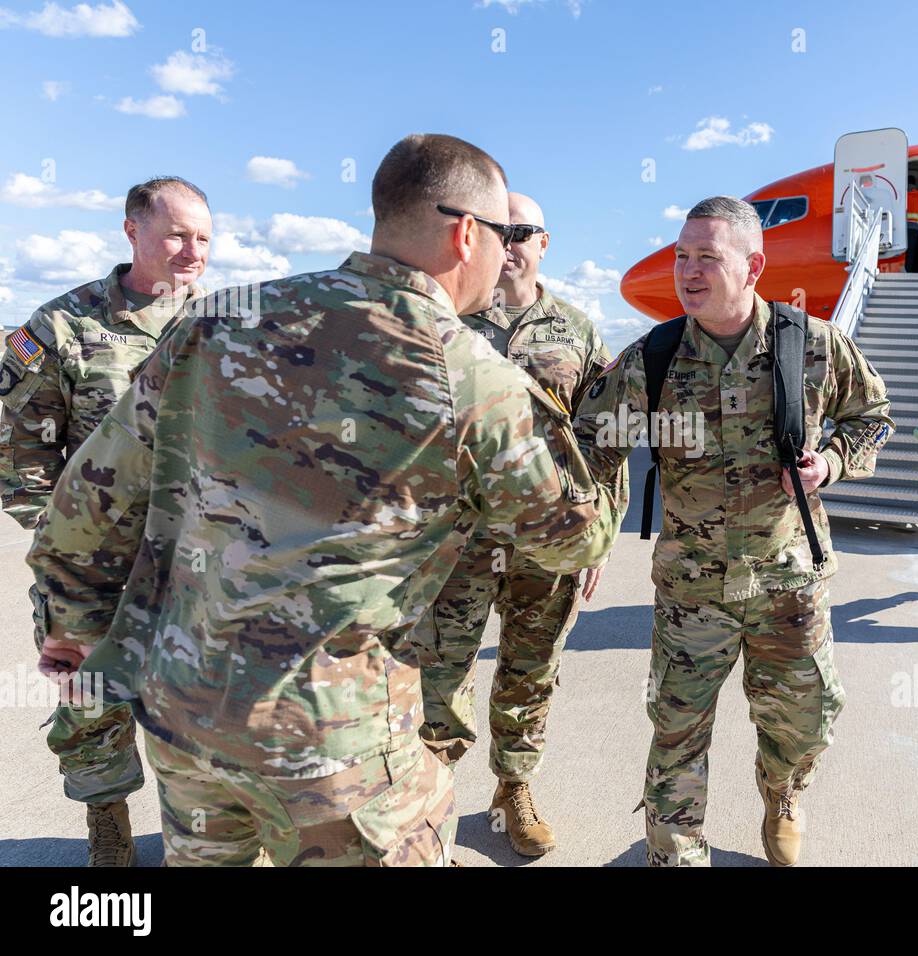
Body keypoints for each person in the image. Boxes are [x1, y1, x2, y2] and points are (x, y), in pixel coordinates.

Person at [27, 134, 621, 867]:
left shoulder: (218, 320)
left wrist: (81, 641)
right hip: (337, 753)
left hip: (188, 726)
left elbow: (82, 513)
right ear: (468, 233)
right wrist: (594, 459)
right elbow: (574, 538)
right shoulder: (469, 373)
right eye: (503, 237)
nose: (506, 257)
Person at [573, 196, 894, 866]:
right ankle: (676, 851)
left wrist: (829, 464)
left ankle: (783, 793)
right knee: (676, 733)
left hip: (788, 582)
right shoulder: (651, 358)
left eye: (706, 258)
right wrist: (586, 534)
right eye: (682, 256)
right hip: (693, 589)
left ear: (752, 267)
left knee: (805, 722)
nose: (687, 271)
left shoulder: (810, 345)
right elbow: (591, 449)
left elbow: (873, 417)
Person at [0, 176, 211, 866]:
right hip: (92, 571)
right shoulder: (65, 327)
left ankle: (206, 832)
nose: (192, 250)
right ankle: (109, 826)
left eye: (204, 238)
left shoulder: (223, 326)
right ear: (132, 231)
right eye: (177, 233)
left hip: (197, 567)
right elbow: (18, 453)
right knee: (92, 707)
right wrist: (65, 540)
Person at [417, 191, 628, 857]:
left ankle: (513, 787)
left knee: (531, 669)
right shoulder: (446, 321)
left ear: (544, 243)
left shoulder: (576, 329)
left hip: (548, 537)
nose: (509, 242)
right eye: (497, 229)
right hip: (460, 540)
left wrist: (600, 533)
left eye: (523, 231)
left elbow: (606, 437)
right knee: (442, 670)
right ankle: (433, 796)